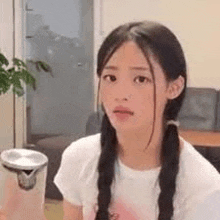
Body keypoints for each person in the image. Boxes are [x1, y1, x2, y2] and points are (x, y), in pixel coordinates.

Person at [54, 21, 220, 220]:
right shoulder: (79, 158)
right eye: (111, 77)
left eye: (141, 79)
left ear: (174, 87)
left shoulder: (203, 186)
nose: (121, 94)